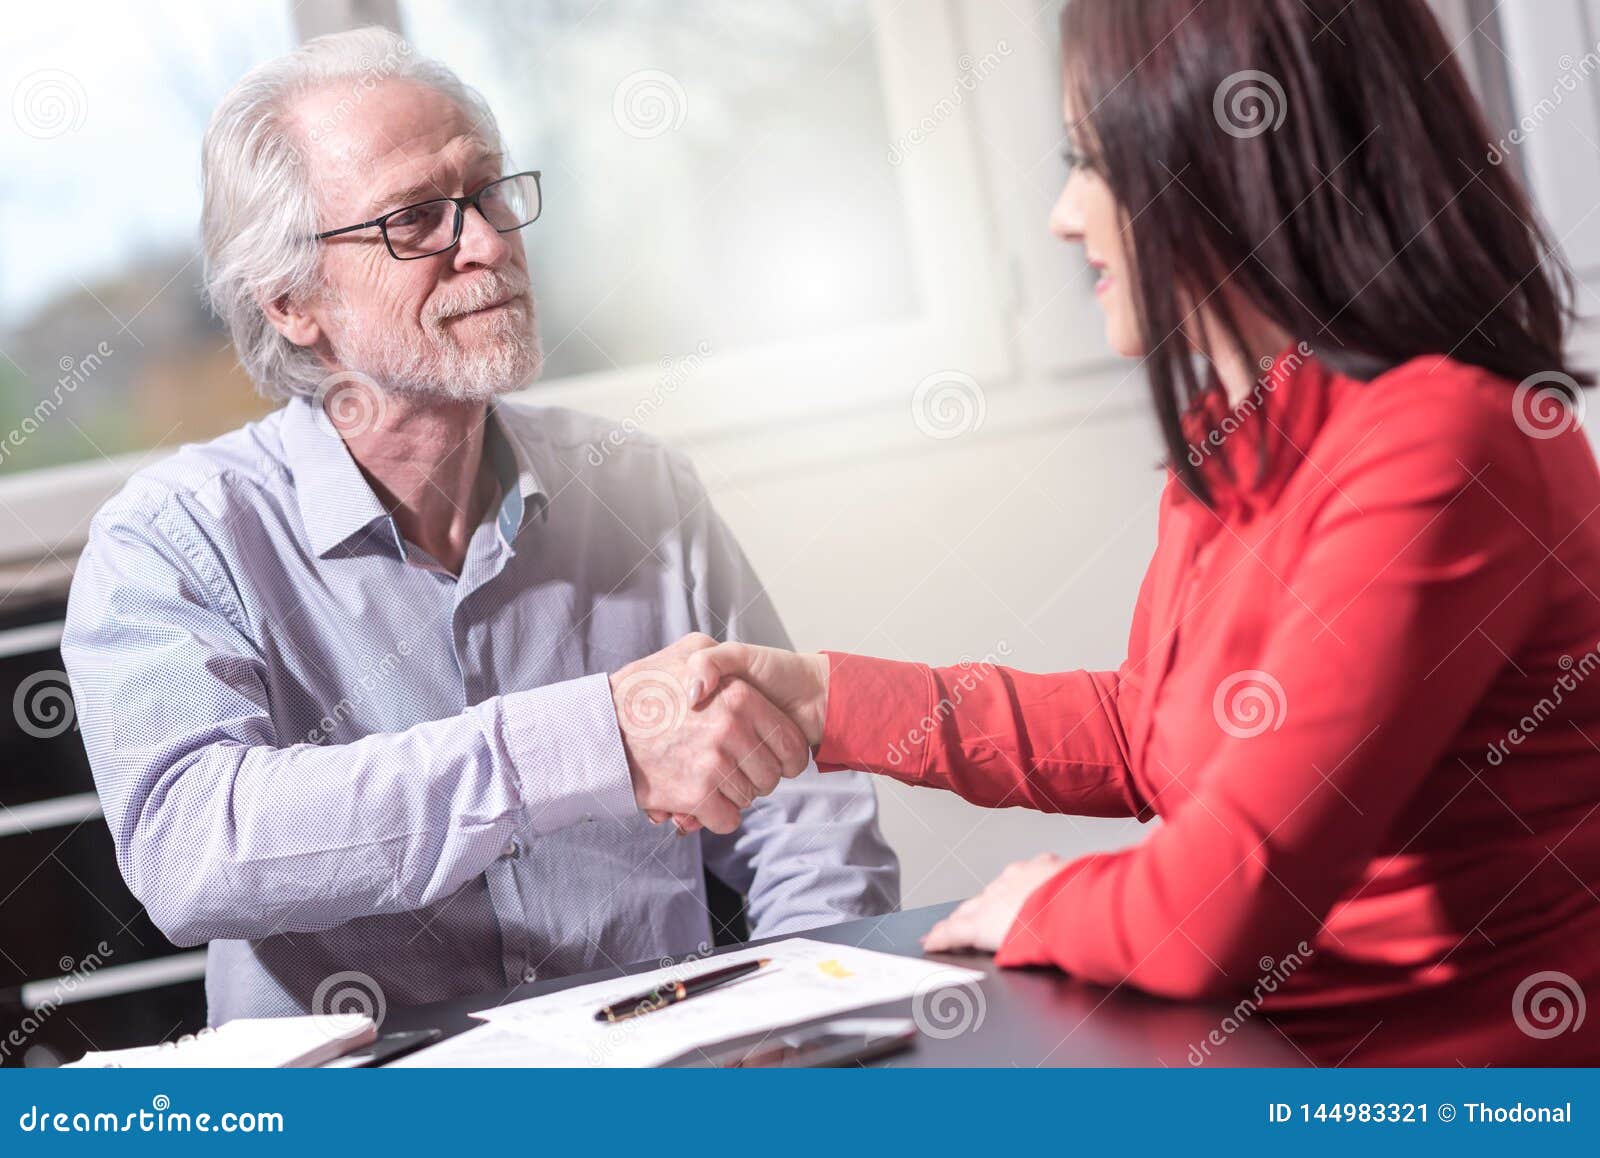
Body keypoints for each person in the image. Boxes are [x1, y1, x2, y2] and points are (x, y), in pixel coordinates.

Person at [672, 0, 1600, 1065]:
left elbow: (1222, 901)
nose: (1065, 217)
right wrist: (831, 700)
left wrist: (1050, 903)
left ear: (1217, 160)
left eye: (1090, 161)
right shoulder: (1249, 429)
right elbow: (1149, 733)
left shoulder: (1444, 445)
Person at [59, 27, 897, 1024]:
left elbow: (802, 813)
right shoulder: (172, 543)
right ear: (290, 301)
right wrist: (588, 743)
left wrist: (806, 1018)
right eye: (417, 218)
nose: (490, 242)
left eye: (490, 191)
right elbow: (194, 851)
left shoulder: (639, 486)